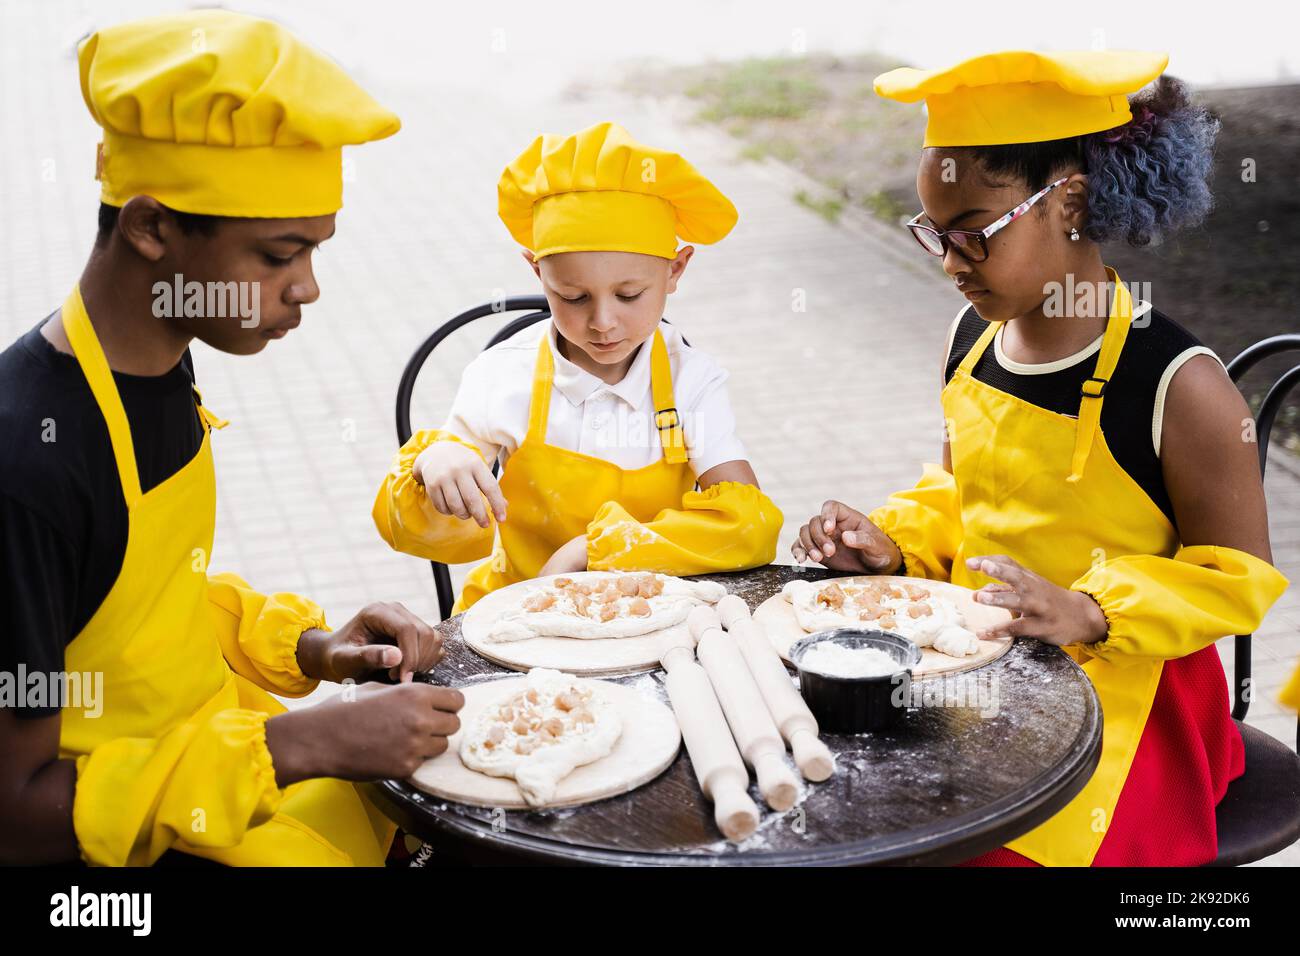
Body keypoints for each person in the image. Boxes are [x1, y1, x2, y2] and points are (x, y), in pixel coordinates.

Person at [792, 50, 1289, 866]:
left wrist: (1091, 611)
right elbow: (963, 491)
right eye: (932, 233)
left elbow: (1238, 578)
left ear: (1072, 202)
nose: (951, 263)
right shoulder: (968, 342)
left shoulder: (1179, 388)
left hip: (1131, 693)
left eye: (972, 235)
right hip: (986, 665)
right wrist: (897, 545)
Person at [0, 9, 462, 867]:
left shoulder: (158, 365)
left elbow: (140, 612)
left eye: (315, 252)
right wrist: (304, 746)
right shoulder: (27, 461)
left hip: (208, 754)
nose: (308, 289)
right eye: (279, 255)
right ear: (151, 227)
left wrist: (313, 649)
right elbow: (15, 813)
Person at [374, 122, 783, 613]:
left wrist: (595, 550)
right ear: (537, 272)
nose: (604, 322)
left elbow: (750, 524)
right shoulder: (502, 376)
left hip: (643, 613)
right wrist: (433, 462)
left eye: (630, 295)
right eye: (572, 297)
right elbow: (425, 524)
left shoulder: (691, 381)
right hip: (514, 609)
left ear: (675, 270)